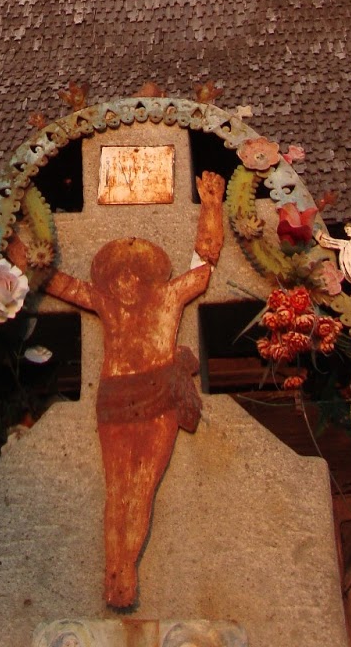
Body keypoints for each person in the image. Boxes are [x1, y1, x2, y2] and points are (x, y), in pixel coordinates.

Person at [11, 168, 226, 610]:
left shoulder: (168, 298)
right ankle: (114, 567)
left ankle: (127, 565)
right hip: (114, 399)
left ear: (148, 275)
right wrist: (19, 248)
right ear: (111, 280)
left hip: (159, 396)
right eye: (119, 276)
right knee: (118, 489)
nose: (126, 283)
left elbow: (203, 267)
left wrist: (211, 207)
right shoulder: (105, 302)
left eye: (135, 274)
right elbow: (59, 283)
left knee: (142, 488)